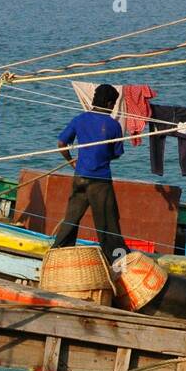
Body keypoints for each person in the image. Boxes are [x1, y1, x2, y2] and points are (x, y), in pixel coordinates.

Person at [53, 82, 127, 263]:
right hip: (99, 181)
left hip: (79, 177)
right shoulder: (113, 126)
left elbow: (61, 144)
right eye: (113, 105)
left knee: (71, 219)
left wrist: (72, 162)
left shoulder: (79, 119)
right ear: (110, 104)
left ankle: (57, 255)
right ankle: (118, 262)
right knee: (108, 224)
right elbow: (115, 154)